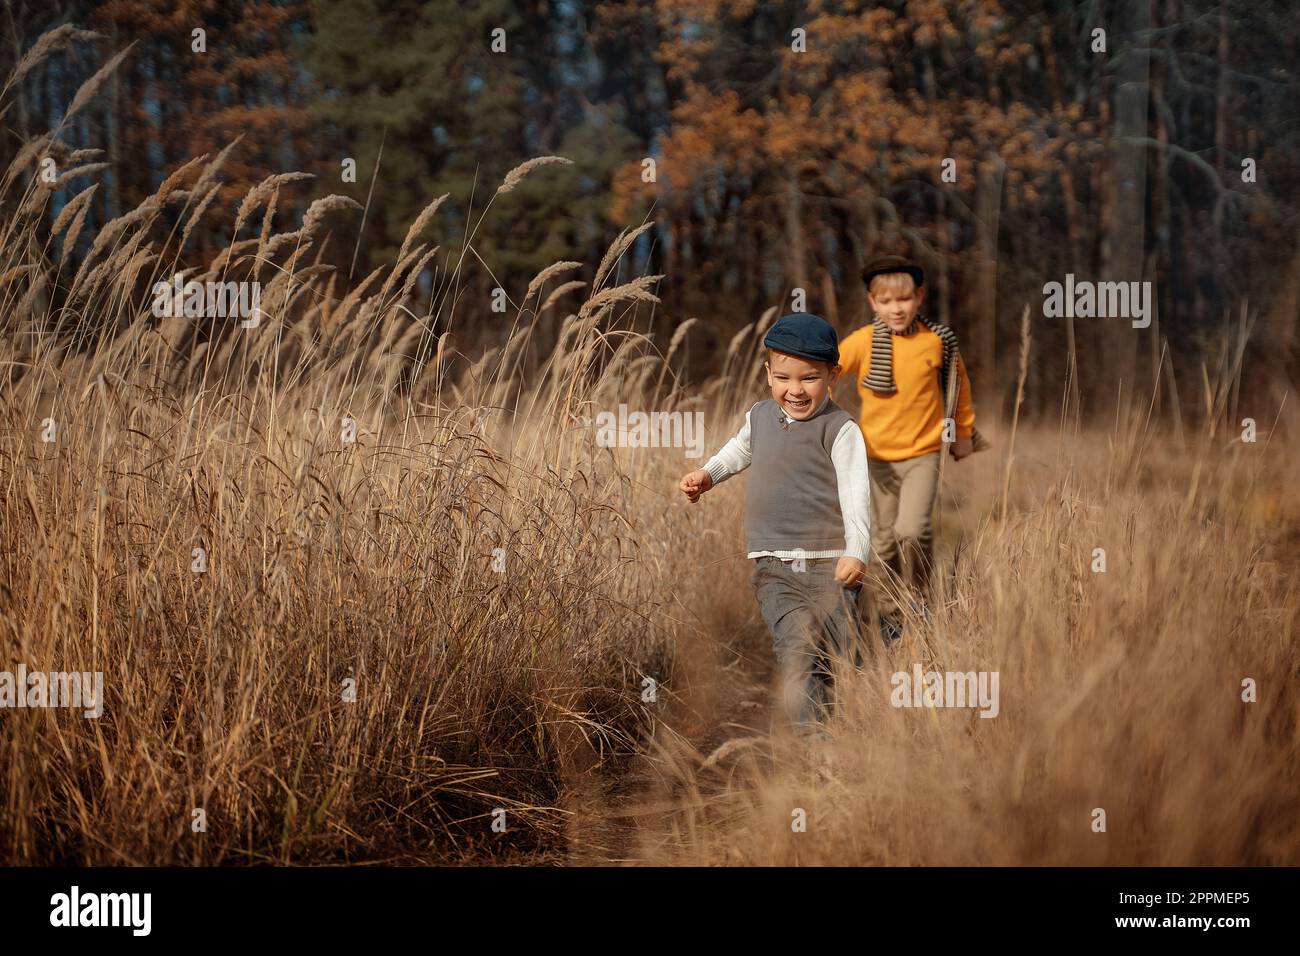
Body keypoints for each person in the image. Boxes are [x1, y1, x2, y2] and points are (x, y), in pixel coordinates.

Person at [679, 313, 871, 738]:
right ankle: (815, 747)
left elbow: (856, 494)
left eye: (809, 378)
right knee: (799, 649)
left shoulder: (840, 430)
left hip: (831, 568)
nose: (795, 389)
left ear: (832, 376)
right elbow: (737, 452)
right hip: (774, 567)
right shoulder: (760, 416)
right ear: (768, 374)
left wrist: (857, 549)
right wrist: (708, 475)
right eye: (784, 377)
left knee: (840, 655)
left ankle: (873, 649)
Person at [836, 255, 989, 644]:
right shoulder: (863, 342)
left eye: (904, 299)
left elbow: (959, 388)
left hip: (923, 452)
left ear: (919, 297)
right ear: (873, 303)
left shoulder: (937, 340)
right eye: (885, 301)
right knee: (883, 540)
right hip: (876, 457)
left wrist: (964, 432)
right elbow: (828, 370)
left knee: (911, 530)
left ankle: (919, 599)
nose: (896, 308)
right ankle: (892, 615)